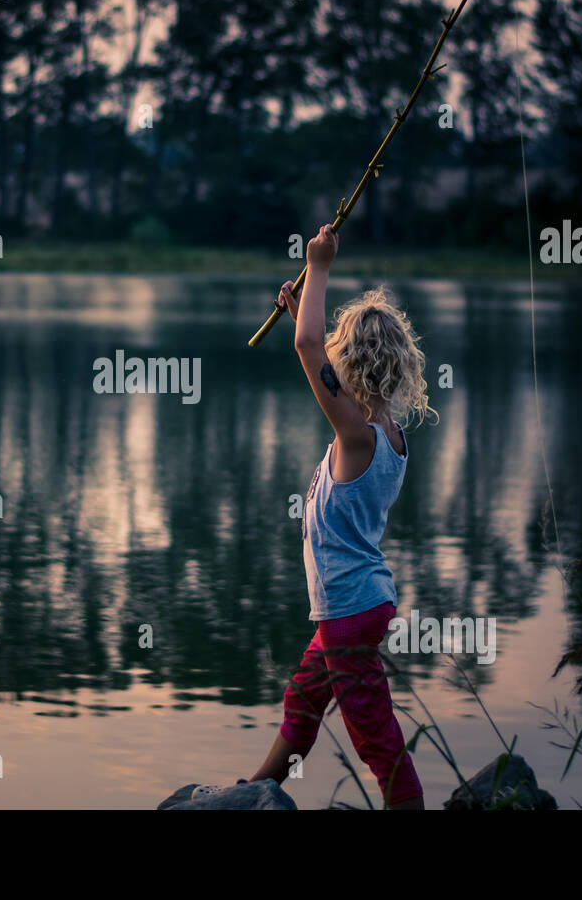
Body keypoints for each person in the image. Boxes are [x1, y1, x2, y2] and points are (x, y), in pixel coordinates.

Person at [196, 224, 435, 809]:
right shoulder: (388, 432)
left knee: (374, 737)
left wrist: (319, 265)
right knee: (303, 700)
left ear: (348, 359)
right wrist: (301, 299)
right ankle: (258, 790)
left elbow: (307, 347)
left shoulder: (354, 433)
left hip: (350, 612)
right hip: (358, 604)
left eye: (338, 346)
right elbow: (312, 343)